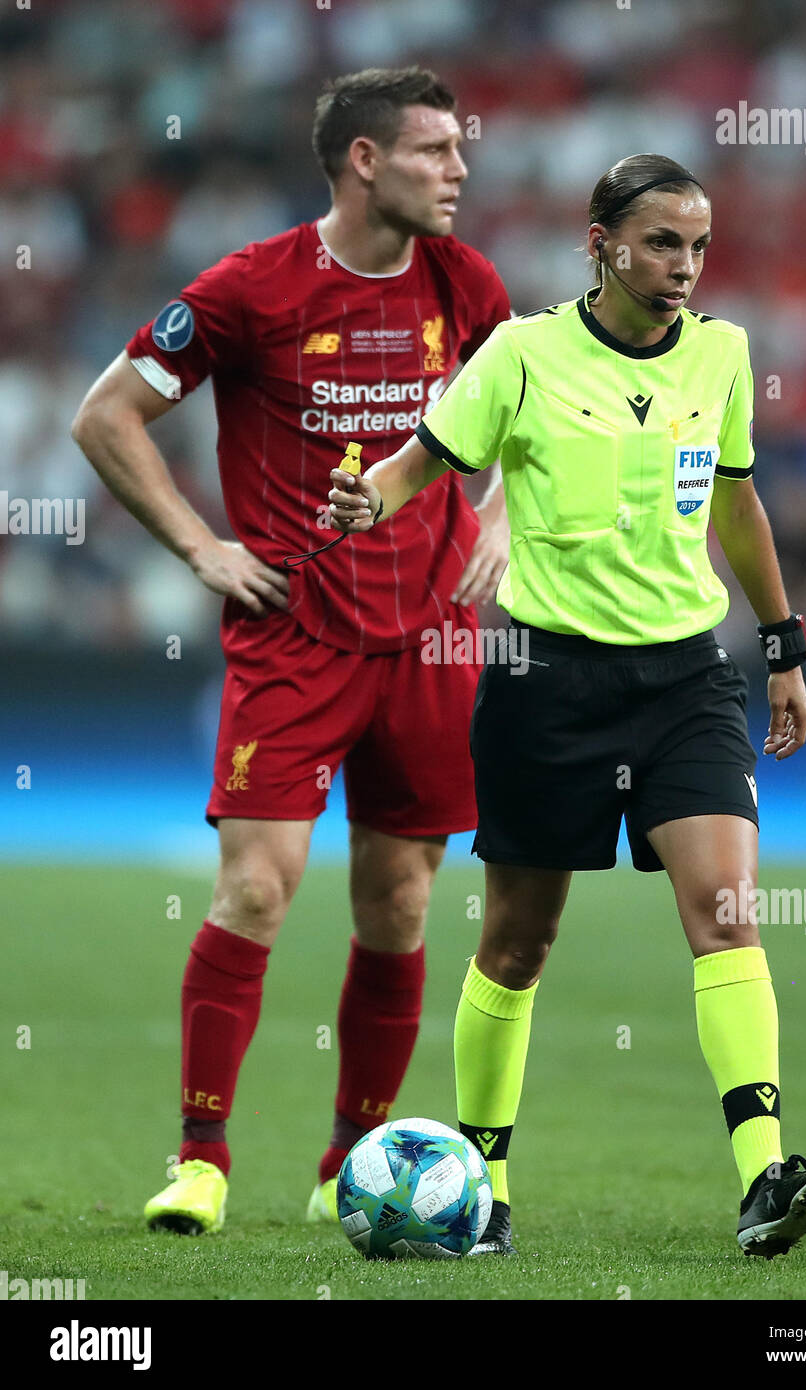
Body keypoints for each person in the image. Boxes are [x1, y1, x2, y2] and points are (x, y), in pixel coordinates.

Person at [328, 153, 806, 1259]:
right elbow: (420, 464)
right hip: (545, 682)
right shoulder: (520, 353)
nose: (684, 266)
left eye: (700, 245)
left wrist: (782, 643)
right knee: (518, 943)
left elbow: (738, 501)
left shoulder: (721, 353)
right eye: (663, 242)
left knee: (725, 912)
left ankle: (765, 1175)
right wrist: (362, 496)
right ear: (602, 242)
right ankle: (485, 1185)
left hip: (685, 678)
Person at [70, 66, 511, 1235]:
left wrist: (502, 525)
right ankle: (201, 1157)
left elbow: (521, 408)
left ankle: (350, 1163)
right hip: (294, 633)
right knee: (258, 887)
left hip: (431, 639)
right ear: (364, 161)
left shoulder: (466, 282)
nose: (460, 172)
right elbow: (103, 413)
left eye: (461, 151)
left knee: (399, 905)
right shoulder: (249, 288)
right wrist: (201, 547)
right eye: (435, 153)